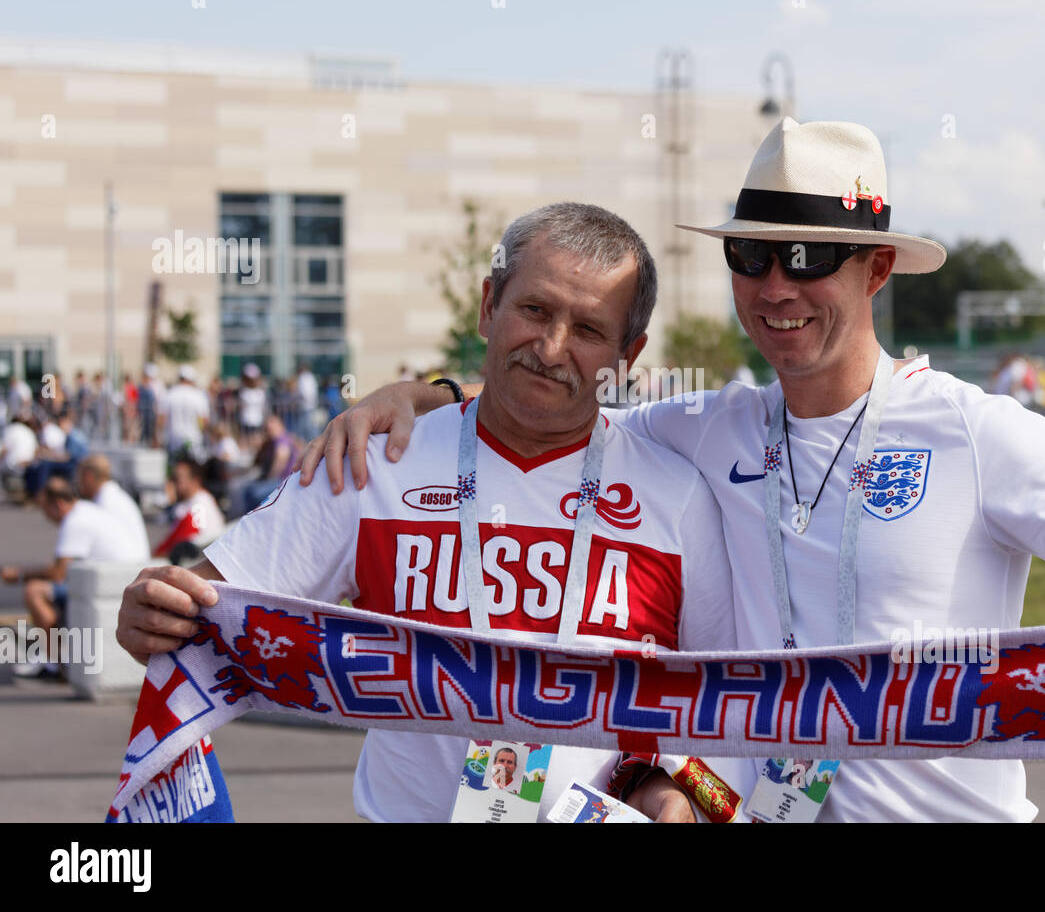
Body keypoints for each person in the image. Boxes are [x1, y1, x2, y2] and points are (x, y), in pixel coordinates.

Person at [299, 119, 1045, 822]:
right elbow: (551, 387)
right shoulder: (696, 431)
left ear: (875, 270)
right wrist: (427, 393)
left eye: (809, 259)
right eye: (753, 255)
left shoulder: (977, 434)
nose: (775, 288)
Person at [116, 202, 739, 823]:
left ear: (628, 353)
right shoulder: (371, 462)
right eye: (535, 310)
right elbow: (205, 607)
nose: (551, 349)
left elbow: (723, 710)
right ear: (488, 305)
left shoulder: (678, 498)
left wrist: (668, 792)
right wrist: (154, 610)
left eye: (588, 330)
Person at [1, 475, 148, 677]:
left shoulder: (74, 521)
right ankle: (59, 655)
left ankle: (56, 663)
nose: (46, 517)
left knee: (34, 592)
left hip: (109, 583)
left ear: (59, 504)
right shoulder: (86, 510)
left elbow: (57, 574)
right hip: (119, 577)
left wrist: (19, 575)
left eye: (46, 510)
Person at [153, 456, 226, 563]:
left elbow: (166, 550)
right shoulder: (201, 500)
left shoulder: (197, 508)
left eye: (177, 479)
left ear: (195, 481)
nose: (172, 484)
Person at [76, 454, 149, 560]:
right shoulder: (114, 496)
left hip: (125, 566)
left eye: (80, 478)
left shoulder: (105, 502)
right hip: (135, 562)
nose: (79, 484)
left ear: (88, 477)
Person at [161, 365, 209, 458]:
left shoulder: (169, 394)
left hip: (173, 438)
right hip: (193, 438)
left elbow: (162, 418)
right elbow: (204, 420)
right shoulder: (199, 396)